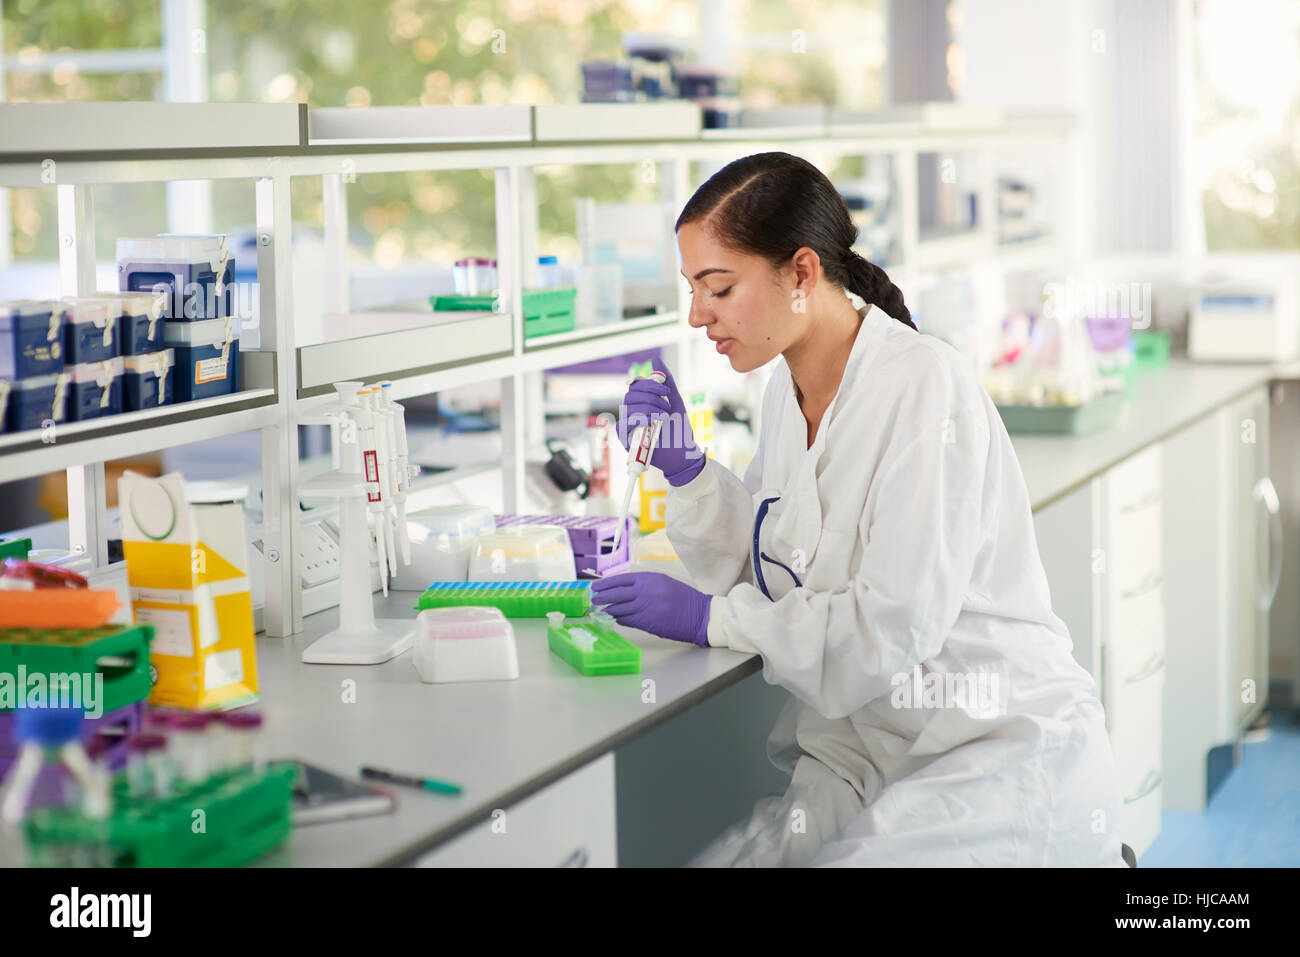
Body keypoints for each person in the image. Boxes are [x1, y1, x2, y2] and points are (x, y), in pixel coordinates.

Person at [589, 152, 1126, 867]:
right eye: (693, 289)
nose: (697, 315)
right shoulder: (786, 392)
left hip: (991, 752)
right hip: (863, 750)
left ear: (802, 273)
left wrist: (706, 618)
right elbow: (776, 562)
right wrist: (688, 471)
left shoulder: (923, 385)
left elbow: (888, 626)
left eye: (718, 287)